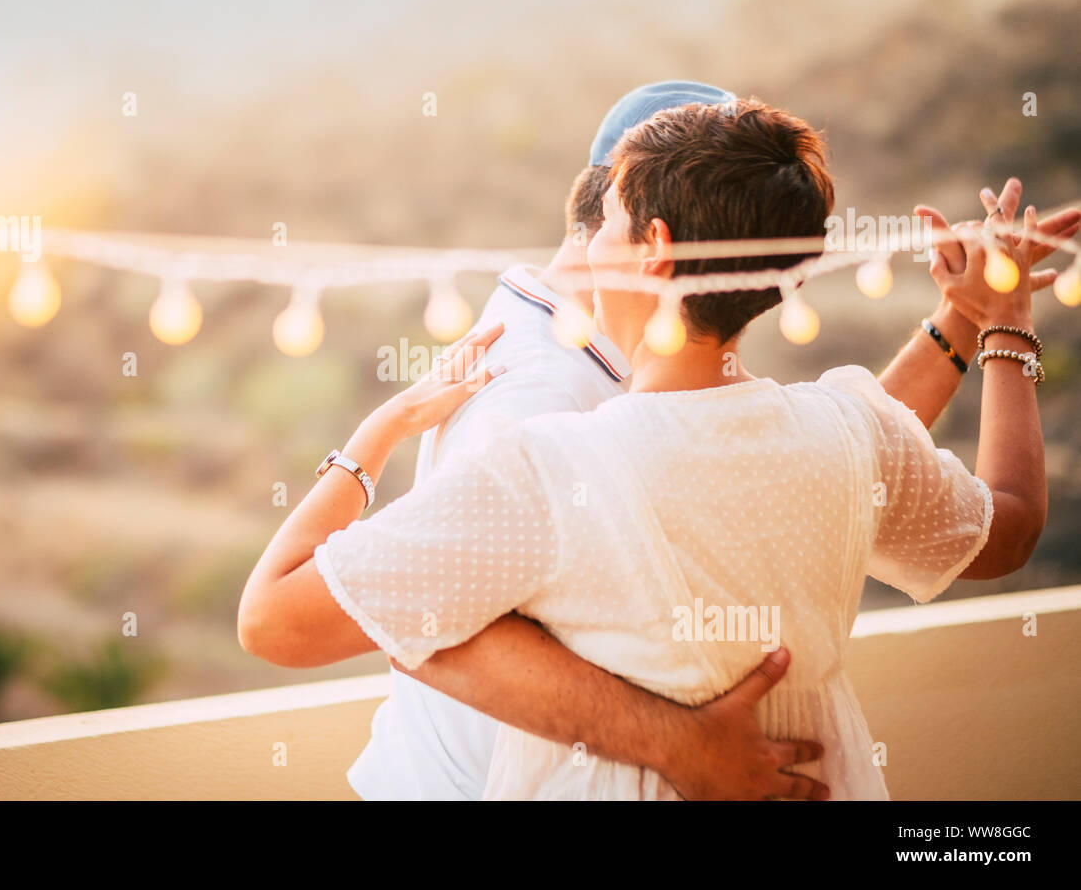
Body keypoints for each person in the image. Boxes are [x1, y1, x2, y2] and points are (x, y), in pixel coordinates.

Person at [240, 93, 1078, 799]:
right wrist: (1001, 322)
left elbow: (275, 620)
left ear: (657, 247)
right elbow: (1008, 527)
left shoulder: (553, 468)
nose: (586, 249)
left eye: (604, 222)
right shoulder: (844, 430)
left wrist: (370, 439)